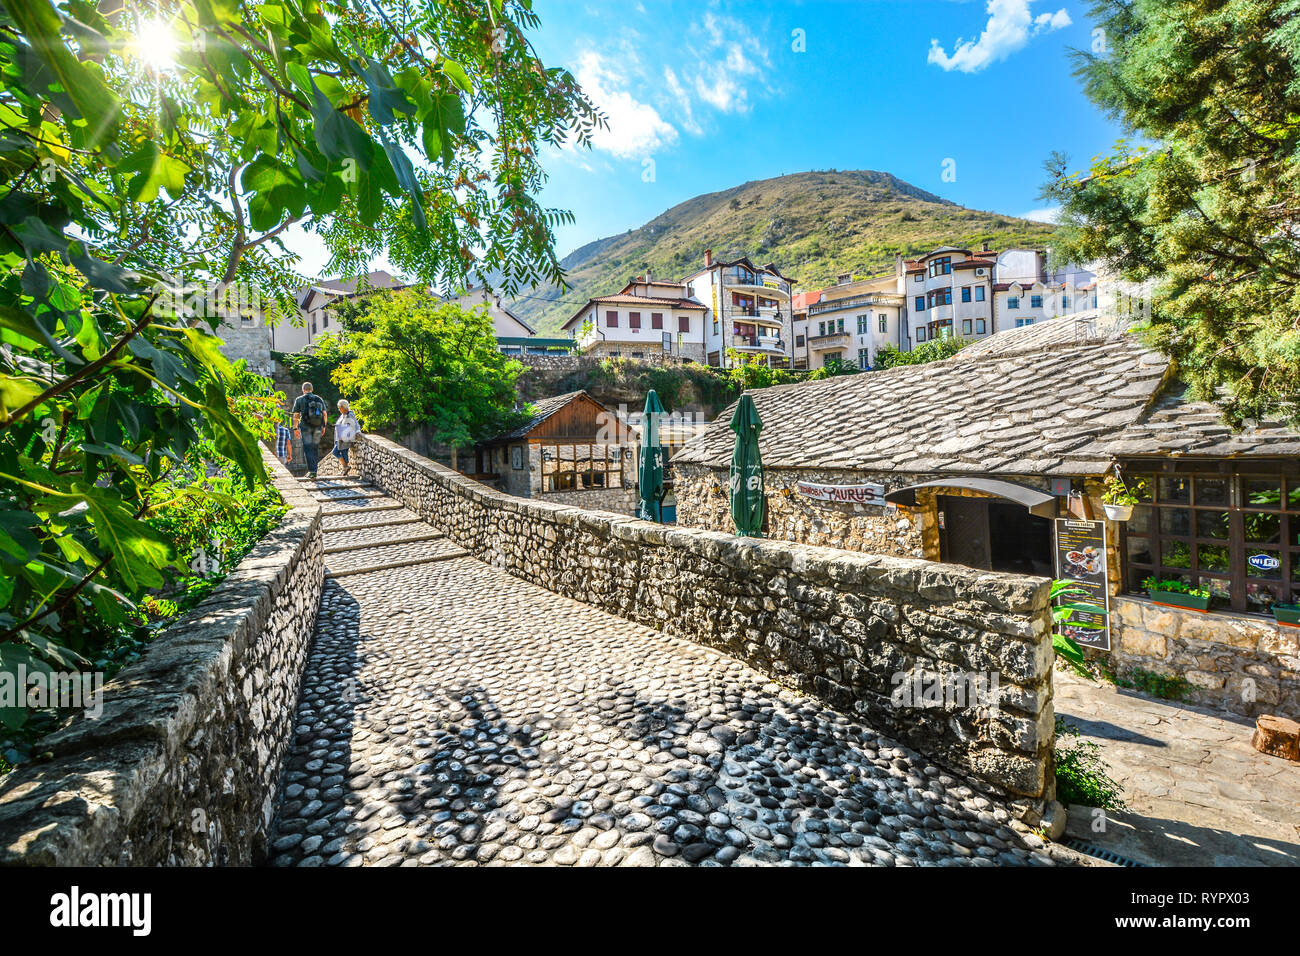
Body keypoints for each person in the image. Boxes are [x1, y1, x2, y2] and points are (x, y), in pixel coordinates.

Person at [291, 382, 328, 479]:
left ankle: (312, 471)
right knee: (315, 448)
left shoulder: (299, 399)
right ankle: (314, 470)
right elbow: (324, 414)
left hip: (305, 427)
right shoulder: (319, 399)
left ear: (303, 390)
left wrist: (295, 428)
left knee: (308, 449)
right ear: (312, 389)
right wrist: (323, 426)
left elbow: (296, 415)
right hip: (318, 427)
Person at [332, 399, 361, 477]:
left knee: (335, 452)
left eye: (339, 407)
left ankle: (345, 466)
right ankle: (345, 469)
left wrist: (358, 431)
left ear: (343, 407)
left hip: (346, 438)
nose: (339, 409)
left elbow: (356, 424)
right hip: (340, 438)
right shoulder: (343, 415)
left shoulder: (350, 414)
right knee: (344, 453)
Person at [273, 393, 293, 467]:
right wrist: (290, 455)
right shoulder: (285, 430)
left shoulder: (266, 430)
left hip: (272, 455)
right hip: (282, 456)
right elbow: (288, 444)